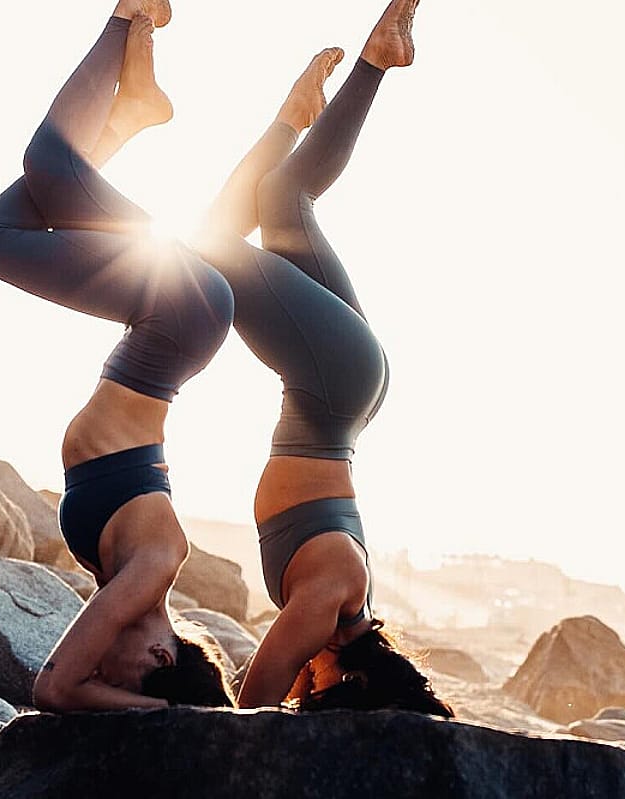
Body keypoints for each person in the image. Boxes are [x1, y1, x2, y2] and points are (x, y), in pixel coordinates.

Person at [0, 0, 235, 711]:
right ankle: (127, 17)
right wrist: (173, 717)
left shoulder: (126, 579)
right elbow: (57, 686)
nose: (102, 674)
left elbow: (72, 678)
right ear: (160, 653)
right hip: (180, 313)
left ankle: (129, 114)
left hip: (169, 322)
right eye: (122, 679)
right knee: (43, 167)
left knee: (0, 228)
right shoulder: (151, 570)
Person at [192, 0, 452, 716]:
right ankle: (296, 113)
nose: (310, 689)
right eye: (324, 696)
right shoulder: (329, 606)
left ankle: (375, 61)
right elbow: (251, 705)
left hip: (344, 391)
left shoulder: (346, 605)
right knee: (208, 244)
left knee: (282, 195)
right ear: (354, 681)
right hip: (331, 387)